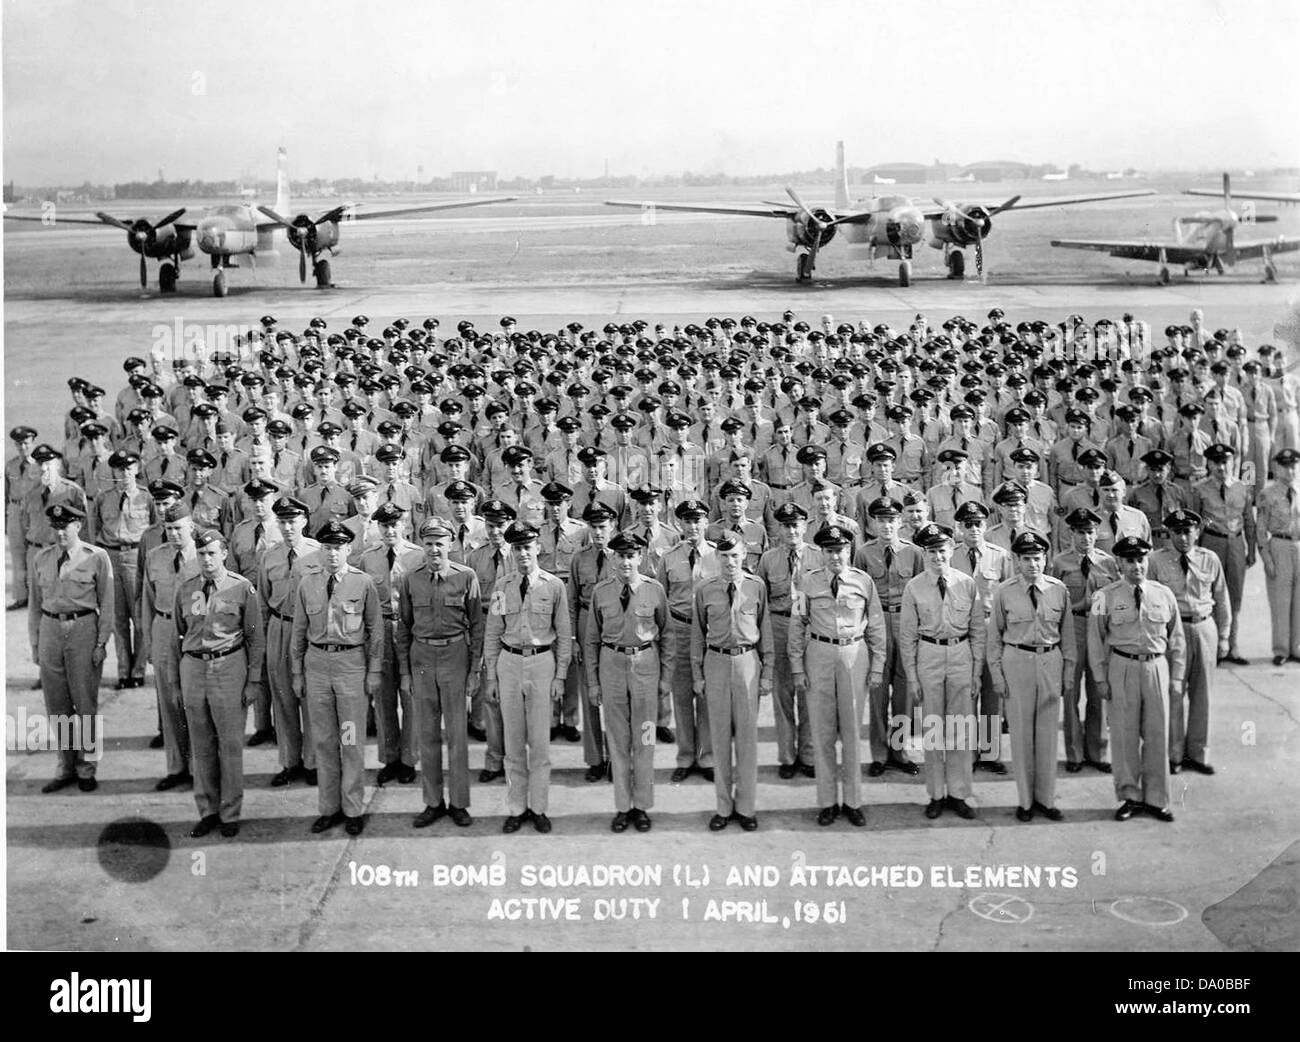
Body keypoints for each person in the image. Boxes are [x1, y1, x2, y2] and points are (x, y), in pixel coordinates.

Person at [291, 522, 385, 837]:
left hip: (350, 666)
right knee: (324, 740)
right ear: (320, 549)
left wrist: (373, 671)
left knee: (351, 739)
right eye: (327, 547)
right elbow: (298, 631)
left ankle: (353, 808)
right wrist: (297, 673)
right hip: (317, 665)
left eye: (338, 547)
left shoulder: (363, 583)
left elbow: (376, 631)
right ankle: (329, 808)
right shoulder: (307, 583)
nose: (332, 554)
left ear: (348, 549)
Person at [789, 524, 886, 827]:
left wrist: (878, 665)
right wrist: (796, 666)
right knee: (822, 732)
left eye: (840, 550)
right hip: (818, 654)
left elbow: (877, 626)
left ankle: (853, 801)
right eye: (829, 551)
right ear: (821, 552)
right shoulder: (807, 582)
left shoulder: (863, 581)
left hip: (853, 656)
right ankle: (828, 801)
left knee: (853, 733)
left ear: (849, 550)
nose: (835, 556)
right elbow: (796, 624)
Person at [1087, 535, 1187, 823]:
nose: (1136, 566)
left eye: (1140, 559)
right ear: (1119, 563)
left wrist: (1177, 677)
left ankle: (1157, 799)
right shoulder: (1102, 597)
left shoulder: (1163, 594)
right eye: (1129, 560)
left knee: (1158, 734)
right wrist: (1100, 678)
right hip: (1122, 667)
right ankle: (1130, 796)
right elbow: (1095, 640)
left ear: (1147, 560)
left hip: (1156, 667)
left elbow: (1177, 638)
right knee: (1124, 735)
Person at [173, 529, 265, 838]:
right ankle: (208, 810)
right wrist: (176, 681)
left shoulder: (241, 589)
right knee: (201, 745)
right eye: (201, 554)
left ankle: (229, 813)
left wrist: (253, 681)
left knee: (230, 744)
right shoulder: (186, 589)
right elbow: (177, 635)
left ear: (224, 553)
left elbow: (255, 637)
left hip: (229, 666)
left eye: (212, 553)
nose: (207, 559)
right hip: (194, 669)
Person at [395, 518, 484, 829]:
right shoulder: (410, 580)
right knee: (427, 735)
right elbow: (403, 629)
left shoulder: (466, 577)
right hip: (421, 658)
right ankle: (433, 802)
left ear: (450, 545)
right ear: (422, 546)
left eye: (439, 543)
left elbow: (477, 626)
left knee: (457, 736)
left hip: (455, 656)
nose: (434, 550)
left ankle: (459, 803)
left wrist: (474, 671)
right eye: (428, 544)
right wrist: (405, 673)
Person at [483, 521, 572, 834]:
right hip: (508, 663)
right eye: (517, 547)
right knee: (513, 743)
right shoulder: (502, 586)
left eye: (527, 546)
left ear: (538, 548)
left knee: (540, 743)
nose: (522, 553)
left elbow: (564, 633)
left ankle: (539, 807)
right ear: (511, 550)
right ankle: (516, 807)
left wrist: (560, 676)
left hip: (541, 663)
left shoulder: (553, 586)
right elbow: (492, 633)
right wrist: (491, 677)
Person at [582, 530, 673, 833]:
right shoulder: (601, 592)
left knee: (645, 740)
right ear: (612, 557)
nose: (625, 561)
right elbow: (592, 640)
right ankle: (623, 806)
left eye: (631, 555)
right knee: (618, 741)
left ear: (641, 557)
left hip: (645, 665)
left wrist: (666, 679)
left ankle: (642, 806)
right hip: (612, 665)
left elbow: (668, 635)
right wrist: (593, 683)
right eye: (619, 555)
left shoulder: (654, 590)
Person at [898, 523, 986, 820]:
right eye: (932, 551)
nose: (938, 557)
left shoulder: (967, 583)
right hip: (929, 654)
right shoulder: (914, 587)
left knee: (961, 729)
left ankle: (959, 794)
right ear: (924, 554)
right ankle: (936, 794)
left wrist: (976, 671)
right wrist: (911, 676)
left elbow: (977, 631)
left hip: (961, 654)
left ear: (952, 550)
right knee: (933, 728)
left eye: (942, 550)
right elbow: (907, 635)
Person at [987, 532, 1076, 822]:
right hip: (1017, 661)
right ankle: (1025, 802)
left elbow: (1069, 637)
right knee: (1022, 735)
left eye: (1037, 558)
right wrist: (998, 676)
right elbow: (994, 637)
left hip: (1050, 660)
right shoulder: (1004, 591)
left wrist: (1068, 674)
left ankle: (1046, 799)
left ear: (1045, 559)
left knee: (1048, 735)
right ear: (1016, 560)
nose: (1032, 564)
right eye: (1026, 559)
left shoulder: (1058, 590)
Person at [691, 531, 774, 832]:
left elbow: (766, 633)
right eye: (724, 556)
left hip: (747, 663)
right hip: (715, 662)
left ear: (745, 556)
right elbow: (697, 636)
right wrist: (698, 674)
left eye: (735, 555)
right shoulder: (705, 590)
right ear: (716, 558)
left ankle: (746, 807)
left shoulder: (756, 588)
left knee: (748, 742)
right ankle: (723, 807)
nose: (729, 562)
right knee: (719, 739)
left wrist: (767, 674)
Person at [29, 503, 113, 792]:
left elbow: (107, 603)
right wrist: (35, 643)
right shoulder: (41, 558)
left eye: (66, 526)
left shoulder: (96, 557)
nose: (60, 532)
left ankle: (87, 768)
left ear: (78, 525)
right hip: (51, 630)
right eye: (56, 527)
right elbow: (33, 606)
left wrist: (102, 642)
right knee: (57, 706)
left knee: (85, 703)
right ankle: (65, 766)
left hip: (83, 629)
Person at [1150, 509, 1229, 776]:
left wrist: (1225, 635)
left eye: (1188, 531)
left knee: (1202, 693)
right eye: (1177, 532)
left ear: (1197, 532)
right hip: (1173, 629)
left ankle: (1198, 753)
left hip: (1204, 626)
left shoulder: (1210, 559)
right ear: (1168, 534)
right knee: (1174, 692)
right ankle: (1174, 754)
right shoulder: (1155, 561)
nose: (1183, 537)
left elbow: (1222, 597)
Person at [358, 503, 423, 786]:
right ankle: (390, 758)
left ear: (404, 525)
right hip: (380, 629)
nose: (389, 530)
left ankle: (410, 759)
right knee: (383, 698)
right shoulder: (368, 558)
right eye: (384, 525)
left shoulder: (418, 556)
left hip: (409, 629)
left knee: (411, 697)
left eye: (394, 524)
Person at [257, 496, 320, 788]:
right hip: (279, 628)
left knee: (310, 698)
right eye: (281, 521)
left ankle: (313, 762)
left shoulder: (319, 553)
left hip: (309, 631)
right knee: (282, 697)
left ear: (304, 521)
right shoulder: (269, 556)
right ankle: (289, 761)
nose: (286, 527)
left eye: (292, 521)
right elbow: (261, 601)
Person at [1050, 507, 1118, 773]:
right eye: (1080, 532)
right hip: (1073, 626)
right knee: (1070, 692)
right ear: (1071, 533)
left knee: (1099, 690)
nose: (1086, 538)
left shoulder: (1108, 563)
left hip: (1099, 628)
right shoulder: (1059, 563)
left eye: (1090, 532)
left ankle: (1097, 751)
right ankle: (1074, 753)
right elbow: (1052, 600)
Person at [658, 499, 719, 782]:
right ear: (679, 524)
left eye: (698, 520)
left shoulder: (719, 557)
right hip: (680, 630)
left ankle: (707, 757)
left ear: (706, 522)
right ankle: (685, 756)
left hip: (709, 633)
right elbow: (660, 599)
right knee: (681, 695)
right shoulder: (669, 557)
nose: (693, 526)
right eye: (687, 521)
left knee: (707, 697)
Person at [756, 502, 818, 779]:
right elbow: (759, 599)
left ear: (805, 526)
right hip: (780, 623)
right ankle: (787, 756)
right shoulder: (768, 559)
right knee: (783, 694)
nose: (791, 530)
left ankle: (809, 754)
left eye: (796, 525)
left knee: (809, 693)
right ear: (778, 529)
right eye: (786, 525)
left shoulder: (819, 556)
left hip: (810, 626)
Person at [140, 502, 198, 791]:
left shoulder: (205, 557)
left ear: (192, 527)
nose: (175, 534)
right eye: (169, 529)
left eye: (179, 528)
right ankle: (176, 767)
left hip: (194, 632)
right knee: (168, 701)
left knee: (195, 702)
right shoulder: (155, 557)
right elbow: (147, 602)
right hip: (163, 627)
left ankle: (200, 768)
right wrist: (149, 643)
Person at [91, 450, 151, 689]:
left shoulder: (146, 498)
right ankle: (124, 671)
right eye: (119, 469)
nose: (125, 473)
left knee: (139, 615)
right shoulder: (103, 499)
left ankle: (138, 671)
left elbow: (155, 529)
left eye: (129, 468)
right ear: (113, 472)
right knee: (117, 618)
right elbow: (94, 529)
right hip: (112, 556)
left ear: (136, 469)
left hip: (137, 556)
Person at [1191, 443, 1254, 664]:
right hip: (1211, 542)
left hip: (1235, 543)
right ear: (1208, 463)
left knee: (1235, 596)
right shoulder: (1199, 489)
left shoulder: (1242, 488)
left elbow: (1248, 520)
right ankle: (1214, 648)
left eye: (1225, 461)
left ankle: (1232, 647)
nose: (1221, 466)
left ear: (1232, 462)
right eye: (1216, 462)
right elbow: (1196, 522)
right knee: (1211, 594)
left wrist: (1251, 549)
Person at [1257, 447, 1300, 665]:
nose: (1290, 471)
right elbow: (1261, 529)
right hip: (1280, 545)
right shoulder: (1268, 494)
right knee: (1281, 601)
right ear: (1277, 467)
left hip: (1299, 546)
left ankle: (1297, 648)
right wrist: (1267, 558)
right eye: (1285, 466)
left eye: (1293, 466)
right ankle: (1281, 649)